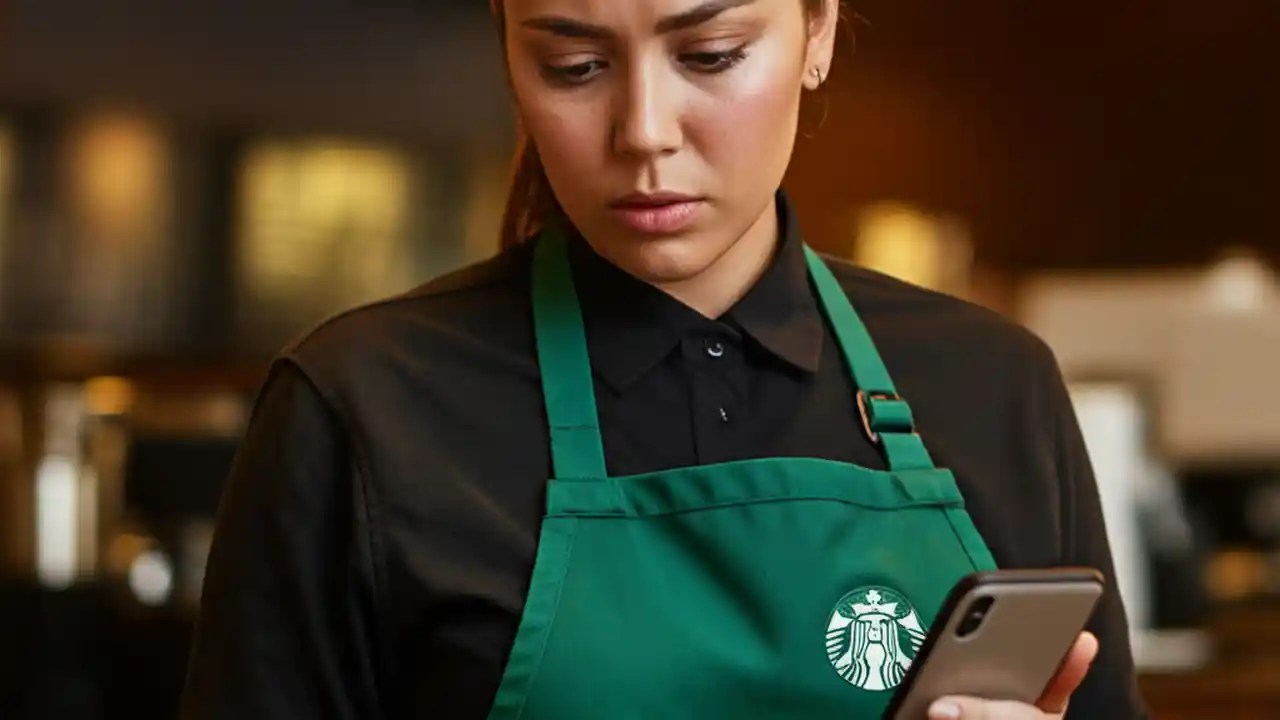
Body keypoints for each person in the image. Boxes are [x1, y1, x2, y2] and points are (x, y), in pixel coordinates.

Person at [180, 0, 1148, 718]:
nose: (643, 131)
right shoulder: (361, 406)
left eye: (709, 54)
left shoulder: (992, 385)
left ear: (816, 33)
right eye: (571, 65)